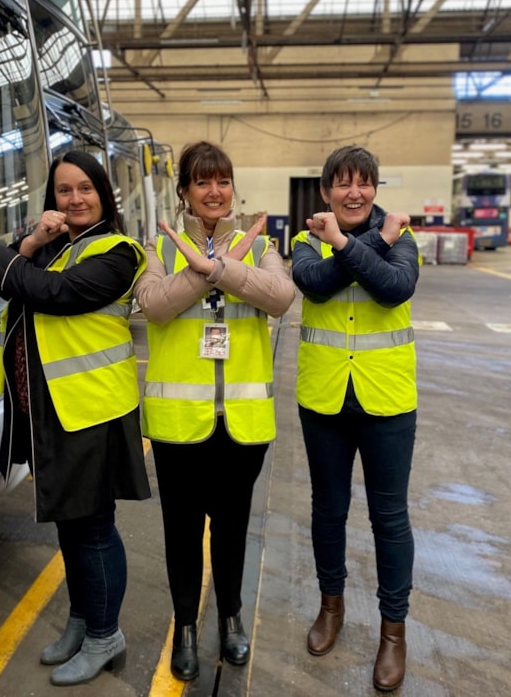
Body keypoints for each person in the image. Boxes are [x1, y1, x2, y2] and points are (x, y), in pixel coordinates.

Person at [0, 150, 150, 688]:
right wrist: (27, 245)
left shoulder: (117, 252)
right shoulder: (57, 248)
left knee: (93, 528)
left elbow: (53, 294)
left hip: (91, 410)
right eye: (64, 191)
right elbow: (13, 282)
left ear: (103, 194)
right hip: (49, 409)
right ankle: (82, 619)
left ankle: (105, 635)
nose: (74, 199)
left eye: (85, 189)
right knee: (71, 526)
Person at [134, 141, 296, 680]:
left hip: (242, 424)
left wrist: (222, 266)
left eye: (222, 181)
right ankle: (184, 626)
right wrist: (201, 271)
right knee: (181, 532)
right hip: (180, 427)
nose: (214, 191)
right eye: (202, 182)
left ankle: (230, 619)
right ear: (183, 191)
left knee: (232, 529)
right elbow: (154, 305)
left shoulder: (260, 245)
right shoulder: (156, 247)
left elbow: (280, 296)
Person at [290, 144, 420, 692]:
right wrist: (373, 241)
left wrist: (343, 242)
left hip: (386, 400)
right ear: (325, 191)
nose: (353, 192)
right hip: (324, 397)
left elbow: (394, 290)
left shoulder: (404, 239)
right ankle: (331, 606)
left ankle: (394, 632)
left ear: (374, 187)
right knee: (329, 509)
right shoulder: (301, 242)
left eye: (363, 183)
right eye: (342, 183)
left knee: (389, 519)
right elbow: (315, 283)